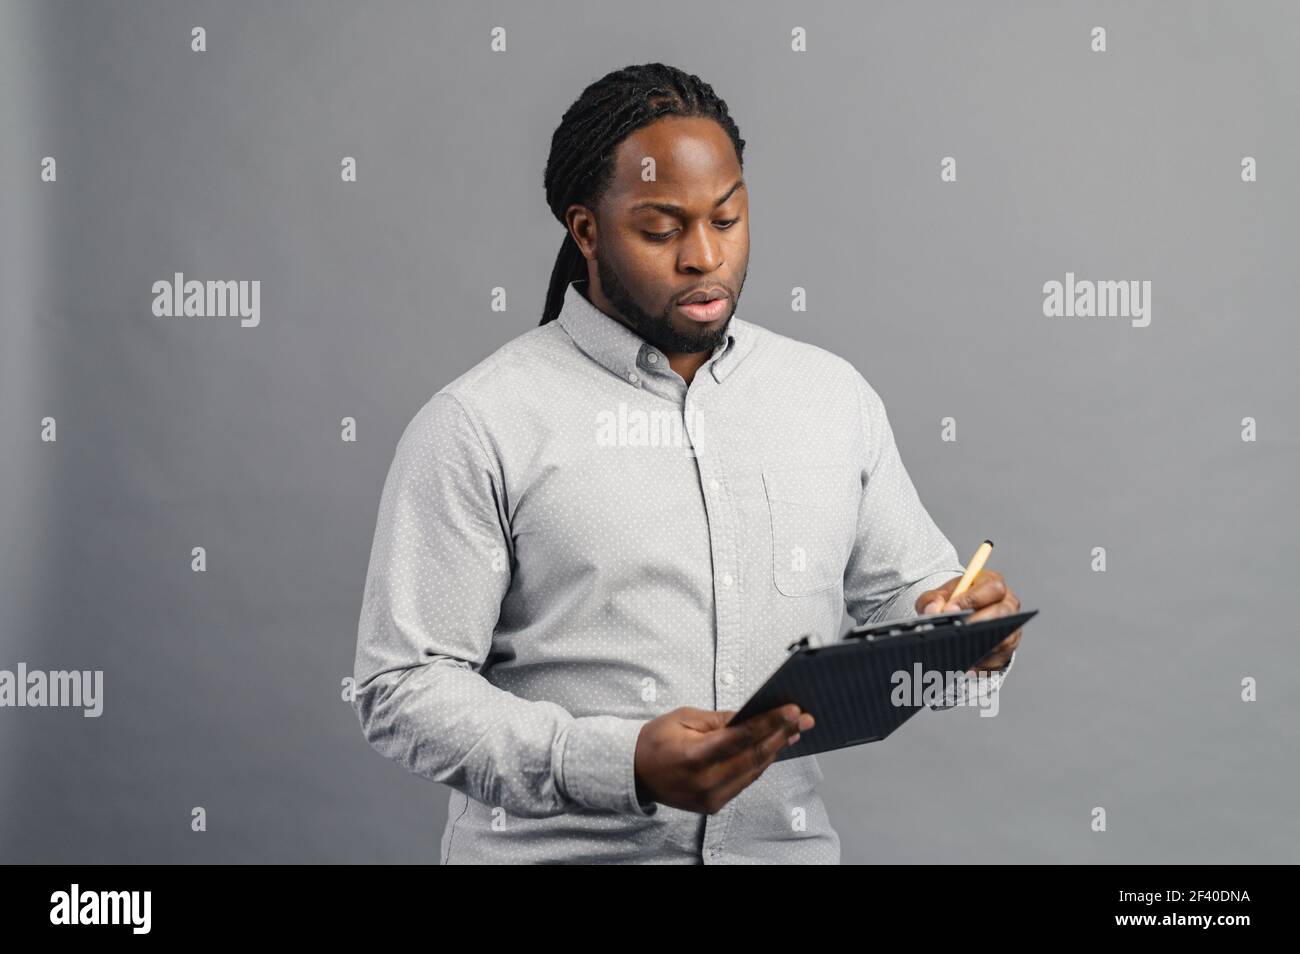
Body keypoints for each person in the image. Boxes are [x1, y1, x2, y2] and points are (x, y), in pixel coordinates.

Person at [351, 63, 1024, 864]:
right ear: (586, 231)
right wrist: (620, 763)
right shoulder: (479, 424)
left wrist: (959, 638)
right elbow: (402, 692)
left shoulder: (830, 398)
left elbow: (905, 606)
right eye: (662, 230)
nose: (705, 257)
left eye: (728, 219)